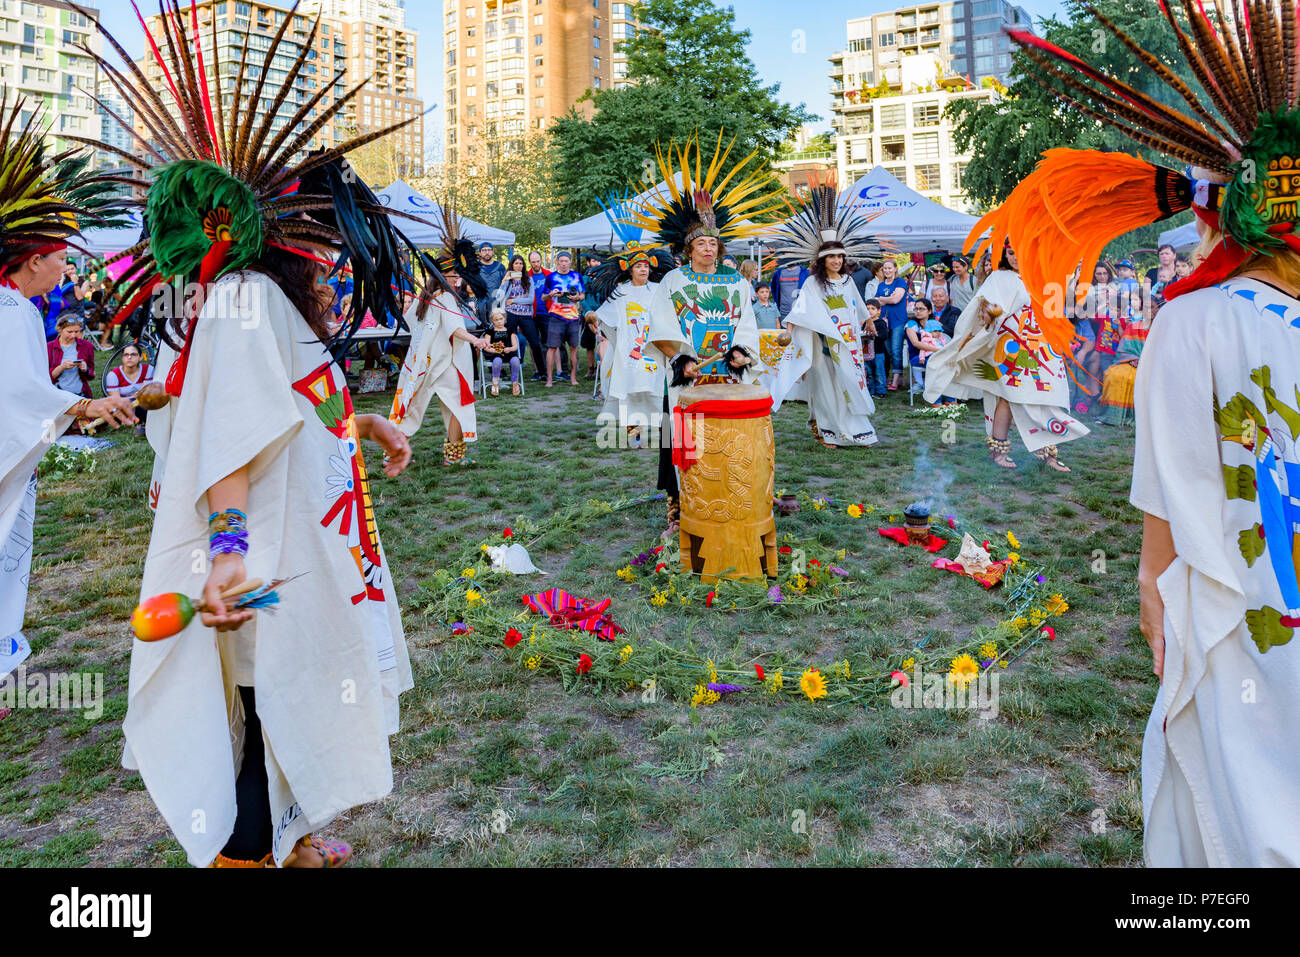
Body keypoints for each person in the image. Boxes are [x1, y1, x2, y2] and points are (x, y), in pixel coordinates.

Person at [86, 4, 428, 868]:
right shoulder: (245, 298)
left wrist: (366, 418)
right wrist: (231, 549)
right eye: (320, 223)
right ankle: (251, 854)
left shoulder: (258, 300)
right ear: (287, 225)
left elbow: (291, 402)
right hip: (264, 549)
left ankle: (293, 835)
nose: (330, 242)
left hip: (301, 537)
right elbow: (231, 436)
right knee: (263, 695)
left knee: (287, 687)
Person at [977, 0, 1300, 866]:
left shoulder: (1194, 323)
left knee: (1239, 799)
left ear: (1218, 214)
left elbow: (1172, 474)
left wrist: (1153, 578)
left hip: (1248, 603)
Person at [1, 104, 136, 681]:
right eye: (59, 258)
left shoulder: (16, 306)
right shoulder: (12, 312)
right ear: (34, 261)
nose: (64, 269)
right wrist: (88, 405)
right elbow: (18, 394)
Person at [636, 134, 784, 535]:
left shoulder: (736, 282)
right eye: (701, 243)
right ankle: (680, 512)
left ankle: (739, 498)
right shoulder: (672, 280)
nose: (709, 249)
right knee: (681, 443)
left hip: (727, 373)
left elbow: (747, 322)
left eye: (714, 243)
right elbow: (661, 324)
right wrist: (680, 359)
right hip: (689, 374)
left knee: (730, 436)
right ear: (688, 249)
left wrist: (741, 352)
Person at [923, 241, 1088, 470]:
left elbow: (1056, 304)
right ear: (1004, 254)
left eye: (1021, 253)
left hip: (1040, 346)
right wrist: (992, 313)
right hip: (1010, 346)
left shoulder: (1038, 276)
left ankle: (1048, 454)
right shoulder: (1000, 277)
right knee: (1008, 396)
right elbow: (989, 307)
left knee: (1046, 395)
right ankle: (999, 451)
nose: (1016, 258)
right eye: (1011, 253)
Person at [769, 176, 882, 447]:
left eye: (840, 257)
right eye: (831, 257)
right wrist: (790, 329)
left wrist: (868, 322)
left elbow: (857, 305)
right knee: (825, 387)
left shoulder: (847, 281)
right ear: (822, 260)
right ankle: (826, 428)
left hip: (848, 342)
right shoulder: (812, 283)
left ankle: (856, 429)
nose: (836, 260)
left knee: (850, 383)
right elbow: (801, 311)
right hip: (822, 343)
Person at [389, 205, 492, 464]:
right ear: (442, 275)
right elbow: (455, 328)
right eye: (453, 275)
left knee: (412, 405)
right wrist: (476, 340)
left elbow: (412, 324)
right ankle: (453, 457)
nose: (458, 280)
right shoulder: (444, 297)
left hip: (423, 362)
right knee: (457, 405)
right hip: (445, 363)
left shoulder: (427, 297)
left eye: (458, 275)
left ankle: (393, 454)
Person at [584, 223, 674, 448]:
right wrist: (593, 316)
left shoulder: (658, 289)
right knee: (631, 390)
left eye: (646, 266)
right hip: (629, 348)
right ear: (630, 270)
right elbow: (605, 317)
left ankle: (662, 432)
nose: (643, 270)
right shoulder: (621, 291)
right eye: (638, 267)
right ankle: (634, 433)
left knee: (655, 388)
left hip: (655, 347)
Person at [498, 253, 545, 378]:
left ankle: (542, 372)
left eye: (520, 263)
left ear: (523, 265)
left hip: (525, 315)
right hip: (510, 314)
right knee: (510, 342)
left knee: (535, 342)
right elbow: (499, 297)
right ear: (512, 265)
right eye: (516, 263)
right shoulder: (508, 279)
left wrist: (513, 300)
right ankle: (511, 371)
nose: (518, 266)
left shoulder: (528, 278)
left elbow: (530, 300)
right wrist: (504, 281)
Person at [543, 251, 584, 387]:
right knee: (552, 347)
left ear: (570, 262)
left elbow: (583, 295)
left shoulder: (577, 276)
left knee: (573, 347)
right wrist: (551, 294)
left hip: (572, 317)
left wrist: (577, 298)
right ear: (557, 262)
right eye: (561, 261)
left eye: (566, 261)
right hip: (556, 316)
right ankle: (549, 379)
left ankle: (573, 377)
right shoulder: (551, 277)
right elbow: (543, 297)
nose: (564, 263)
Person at [104, 341, 154, 436]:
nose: (129, 357)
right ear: (122, 358)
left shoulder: (148, 369)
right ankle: (138, 422)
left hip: (142, 403)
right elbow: (116, 400)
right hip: (123, 405)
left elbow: (146, 392)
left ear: (140, 357)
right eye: (126, 355)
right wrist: (133, 396)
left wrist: (137, 396)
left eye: (133, 354)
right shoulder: (113, 375)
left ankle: (142, 423)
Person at [874, 258, 910, 391]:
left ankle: (895, 381)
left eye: (890, 268)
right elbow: (876, 302)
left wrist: (884, 299)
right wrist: (887, 299)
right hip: (884, 321)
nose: (887, 271)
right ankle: (899, 377)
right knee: (888, 351)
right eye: (885, 268)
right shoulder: (881, 285)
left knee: (896, 350)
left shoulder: (900, 282)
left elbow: (896, 300)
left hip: (898, 320)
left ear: (895, 269)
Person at [904, 297, 950, 399]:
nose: (918, 311)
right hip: (918, 357)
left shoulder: (934, 323)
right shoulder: (911, 324)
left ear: (929, 311)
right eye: (916, 309)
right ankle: (936, 397)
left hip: (936, 354)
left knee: (951, 362)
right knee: (940, 363)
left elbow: (942, 338)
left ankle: (950, 396)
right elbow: (916, 343)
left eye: (921, 309)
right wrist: (937, 350)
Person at [47, 313, 94, 399]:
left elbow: (91, 375)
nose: (73, 335)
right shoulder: (49, 347)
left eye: (77, 332)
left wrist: (85, 369)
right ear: (59, 329)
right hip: (57, 395)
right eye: (69, 332)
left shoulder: (87, 346)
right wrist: (62, 367)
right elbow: (45, 377)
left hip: (81, 394)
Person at [527, 250, 552, 380]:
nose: (536, 264)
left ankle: (548, 370)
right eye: (533, 262)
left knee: (548, 343)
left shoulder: (549, 275)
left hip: (546, 313)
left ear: (541, 260)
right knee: (533, 343)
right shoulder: (526, 276)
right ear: (529, 262)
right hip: (531, 314)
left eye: (538, 261)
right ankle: (537, 370)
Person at [484, 308, 521, 396]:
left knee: (515, 361)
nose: (499, 322)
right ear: (492, 321)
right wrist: (494, 349)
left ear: (505, 319)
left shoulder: (510, 331)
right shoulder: (490, 332)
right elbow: (486, 346)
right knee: (497, 362)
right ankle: (495, 382)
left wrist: (510, 349)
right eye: (496, 320)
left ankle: (515, 382)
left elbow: (515, 346)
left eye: (501, 319)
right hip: (496, 354)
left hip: (509, 353)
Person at [579, 251, 604, 379]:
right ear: (589, 263)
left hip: (603, 314)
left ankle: (602, 367)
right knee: (589, 344)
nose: (596, 263)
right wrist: (588, 311)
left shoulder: (605, 277)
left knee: (603, 340)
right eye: (594, 261)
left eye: (598, 260)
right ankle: (591, 368)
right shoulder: (584, 278)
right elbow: (582, 297)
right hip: (588, 314)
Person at [474, 241, 504, 328]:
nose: (487, 252)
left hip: (497, 304)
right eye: (484, 250)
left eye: (489, 250)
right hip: (481, 305)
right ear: (479, 253)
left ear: (493, 251)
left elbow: (505, 286)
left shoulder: (500, 267)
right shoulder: (475, 267)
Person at [863, 297, 888, 397]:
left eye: (873, 308)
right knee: (869, 373)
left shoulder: (881, 323)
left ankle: (881, 391)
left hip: (878, 353)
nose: (870, 311)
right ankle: (871, 390)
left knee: (879, 372)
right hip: (866, 353)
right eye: (867, 308)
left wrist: (873, 335)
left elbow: (884, 336)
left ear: (878, 311)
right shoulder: (865, 323)